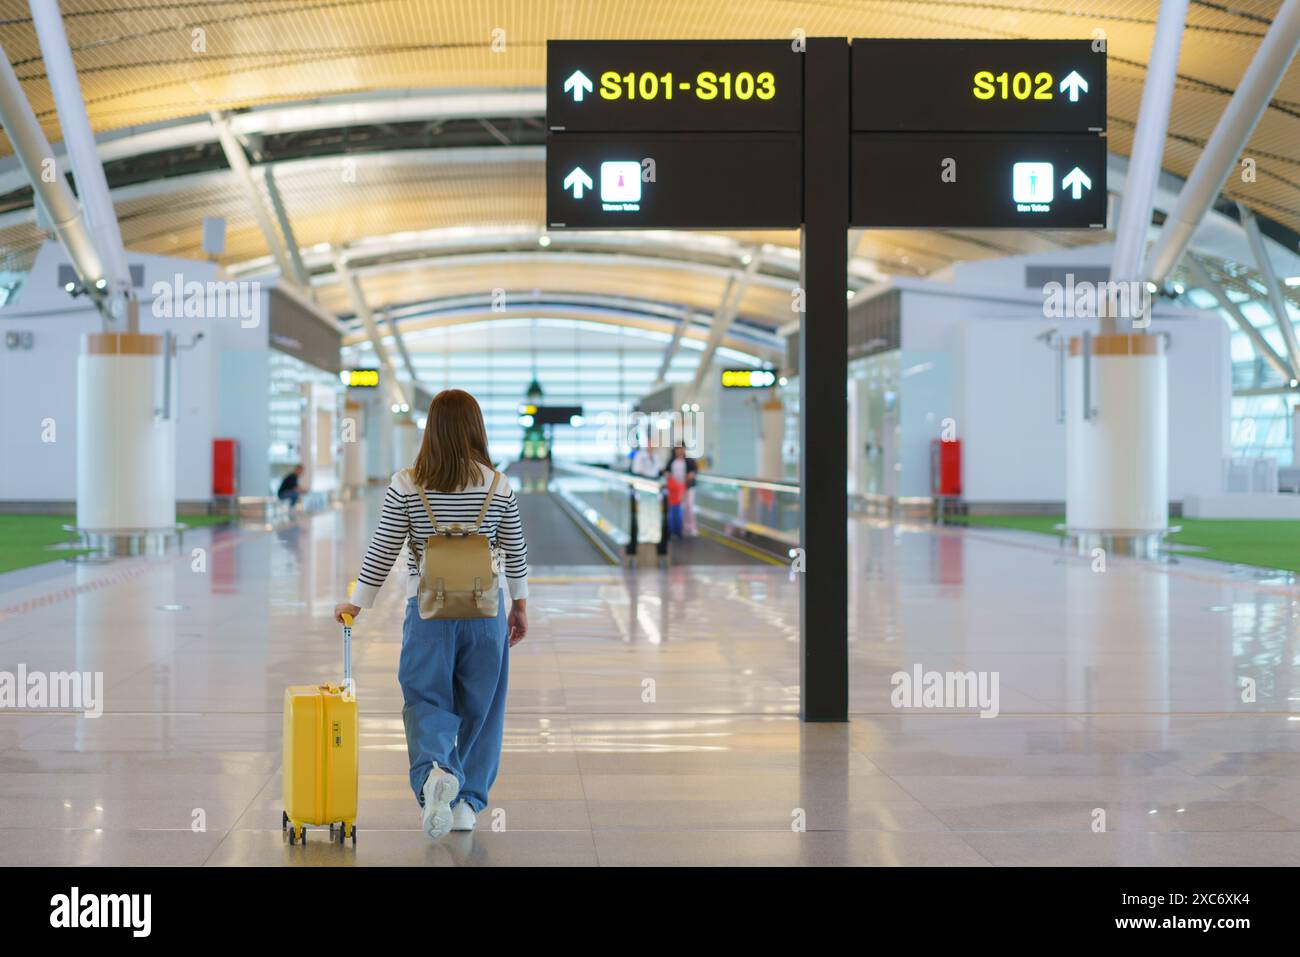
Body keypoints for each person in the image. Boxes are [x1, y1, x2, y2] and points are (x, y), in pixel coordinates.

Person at [333, 390, 529, 840]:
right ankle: (467, 804)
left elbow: (382, 549)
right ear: (477, 428)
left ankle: (436, 771)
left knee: (425, 698)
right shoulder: (499, 485)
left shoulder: (407, 483)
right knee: (482, 707)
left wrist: (357, 603)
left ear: (431, 429)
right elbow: (515, 553)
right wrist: (518, 605)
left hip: (428, 611)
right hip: (485, 612)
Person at [663, 446, 699, 537]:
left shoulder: (689, 461)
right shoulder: (672, 461)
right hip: (675, 489)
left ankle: (691, 528)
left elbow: (694, 471)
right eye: (678, 449)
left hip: (687, 488)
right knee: (678, 509)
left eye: (681, 448)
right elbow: (666, 471)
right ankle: (680, 528)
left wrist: (690, 475)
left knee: (689, 507)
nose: (679, 451)